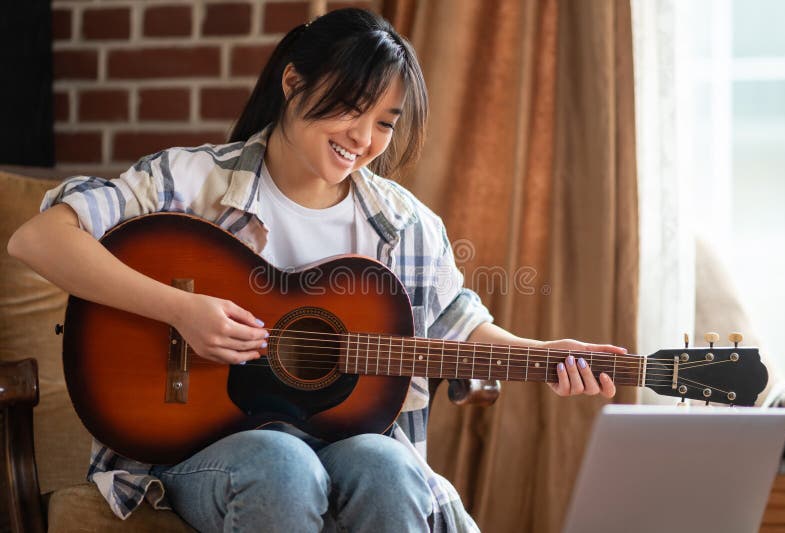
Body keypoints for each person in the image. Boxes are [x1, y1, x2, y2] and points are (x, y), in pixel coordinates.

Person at [7, 8, 625, 533]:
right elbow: (39, 240)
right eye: (351, 108)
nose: (364, 137)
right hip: (191, 445)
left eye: (385, 121)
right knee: (281, 462)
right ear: (293, 82)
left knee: (391, 467)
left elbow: (458, 329)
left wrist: (546, 354)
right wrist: (179, 310)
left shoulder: (406, 224)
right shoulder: (186, 179)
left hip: (351, 446)